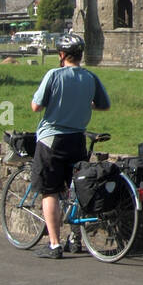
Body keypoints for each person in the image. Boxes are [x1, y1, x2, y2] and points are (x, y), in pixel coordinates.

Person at [29, 34, 111, 258]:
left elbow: (36, 106)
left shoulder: (54, 75)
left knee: (50, 191)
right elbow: (104, 105)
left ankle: (54, 245)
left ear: (62, 55)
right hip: (77, 139)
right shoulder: (90, 77)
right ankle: (75, 238)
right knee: (75, 190)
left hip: (52, 140)